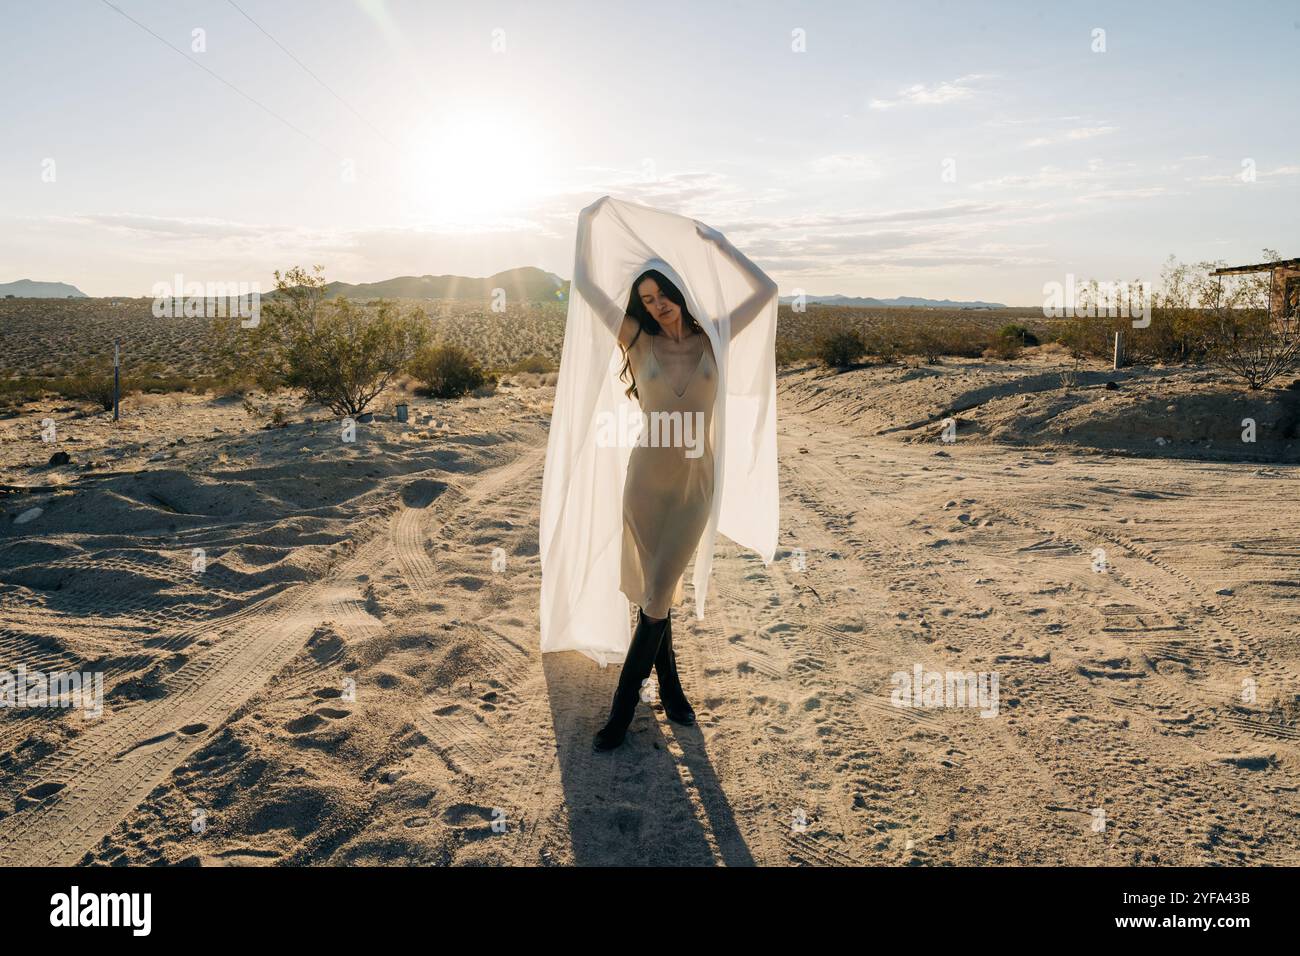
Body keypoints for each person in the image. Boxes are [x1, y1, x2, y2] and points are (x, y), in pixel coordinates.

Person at [569, 198, 777, 751]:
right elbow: (585, 286)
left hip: (694, 488)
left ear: (678, 292)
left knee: (660, 589)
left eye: (661, 295)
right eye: (646, 300)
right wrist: (587, 226)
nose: (656, 307)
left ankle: (622, 711)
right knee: (652, 596)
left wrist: (721, 245)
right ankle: (672, 689)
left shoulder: (715, 338)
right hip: (645, 483)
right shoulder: (636, 341)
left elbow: (767, 292)